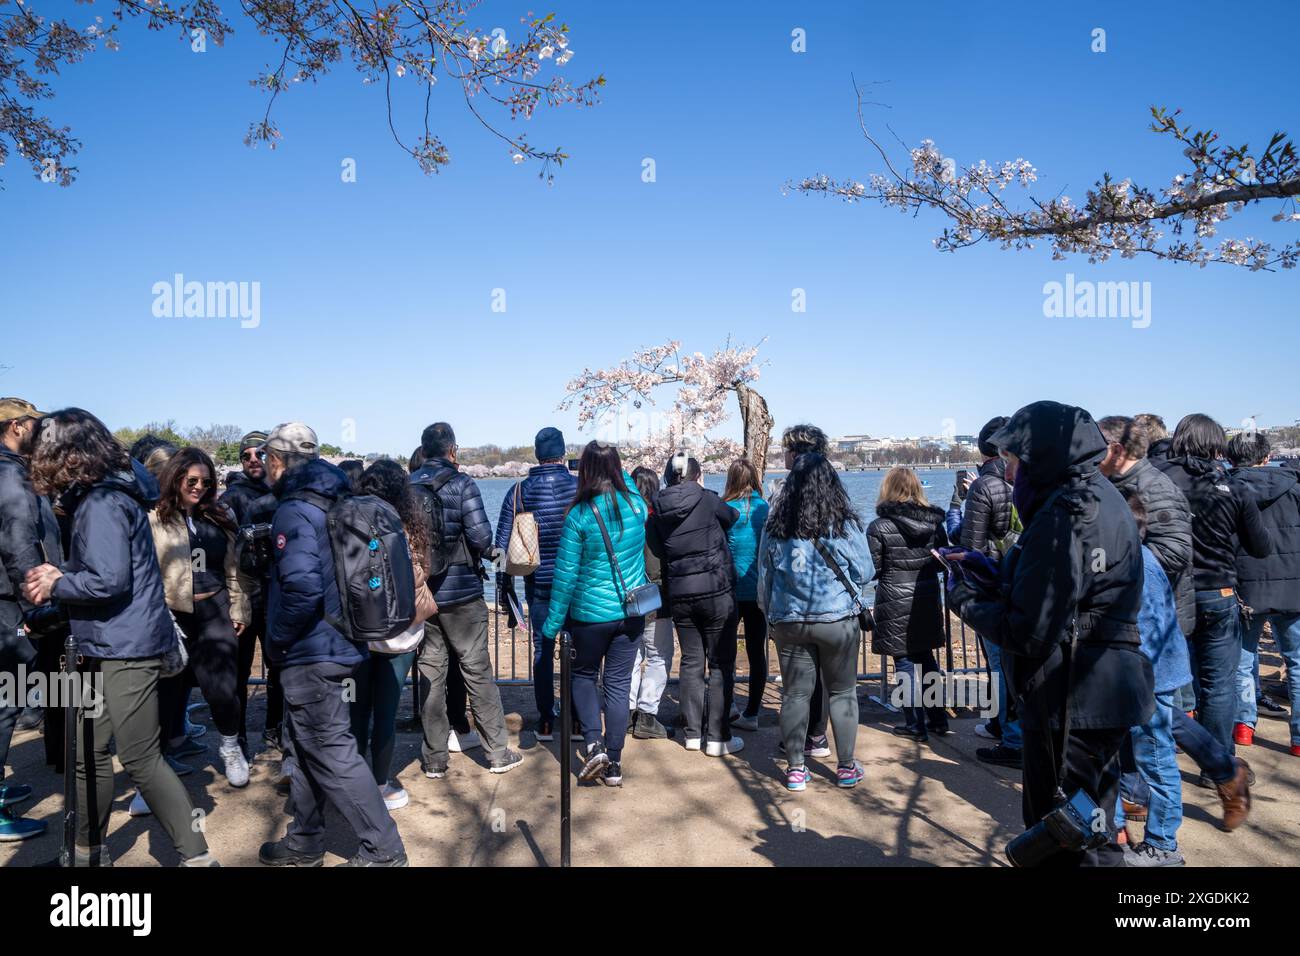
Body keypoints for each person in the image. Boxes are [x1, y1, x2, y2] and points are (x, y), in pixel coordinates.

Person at [952, 402, 1154, 867]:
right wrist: (1001, 572)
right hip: (1103, 685)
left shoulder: (1064, 515)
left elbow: (1031, 629)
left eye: (1016, 461)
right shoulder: (1101, 496)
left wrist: (964, 600)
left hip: (1073, 694)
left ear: (1040, 459)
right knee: (1091, 822)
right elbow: (1073, 588)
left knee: (1062, 829)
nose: (1011, 471)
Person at [24, 408, 217, 866]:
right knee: (87, 754)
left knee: (140, 759)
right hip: (109, 644)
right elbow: (107, 570)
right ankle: (87, 852)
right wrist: (64, 575)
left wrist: (56, 583)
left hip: (125, 648)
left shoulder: (101, 503)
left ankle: (198, 857)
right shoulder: (106, 496)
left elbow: (108, 581)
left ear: (64, 451)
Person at [255, 422, 407, 866]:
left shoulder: (294, 510)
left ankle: (384, 852)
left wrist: (276, 640)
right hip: (344, 642)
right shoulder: (336, 499)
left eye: (266, 458)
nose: (263, 466)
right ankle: (304, 841)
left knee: (332, 751)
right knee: (304, 749)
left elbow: (302, 587)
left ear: (278, 460)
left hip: (311, 650)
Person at [1151, 414, 1271, 756]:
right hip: (1217, 589)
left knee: (1167, 678)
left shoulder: (1156, 479)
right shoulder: (1232, 486)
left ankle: (1165, 748)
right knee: (1219, 684)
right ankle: (1216, 765)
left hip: (1168, 590)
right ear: (1217, 444)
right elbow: (1260, 547)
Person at [409, 422, 521, 778]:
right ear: (453, 450)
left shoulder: (407, 487)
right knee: (477, 670)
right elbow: (481, 537)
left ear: (424, 450)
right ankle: (498, 753)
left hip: (423, 593)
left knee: (431, 675)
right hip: (462, 595)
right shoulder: (463, 484)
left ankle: (434, 759)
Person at [758, 451, 872, 791]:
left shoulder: (776, 526)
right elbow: (865, 570)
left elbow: (765, 577)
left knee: (794, 694)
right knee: (843, 692)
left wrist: (770, 616)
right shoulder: (844, 524)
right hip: (837, 619)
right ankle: (847, 766)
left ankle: (795, 770)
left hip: (790, 620)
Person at [542, 441, 650, 786]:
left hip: (590, 617)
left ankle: (593, 743)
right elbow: (630, 489)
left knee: (583, 677)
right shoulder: (636, 506)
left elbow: (565, 576)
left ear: (584, 470)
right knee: (618, 685)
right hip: (631, 612)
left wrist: (552, 623)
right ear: (618, 468)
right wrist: (620, 474)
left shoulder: (580, 515)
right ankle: (615, 764)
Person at [149, 447, 252, 791]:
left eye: (206, 482)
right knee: (164, 696)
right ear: (175, 478)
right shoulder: (154, 518)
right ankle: (153, 777)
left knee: (222, 690)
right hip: (171, 616)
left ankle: (230, 746)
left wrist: (239, 607)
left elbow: (235, 568)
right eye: (191, 480)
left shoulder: (219, 516)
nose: (199, 487)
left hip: (215, 610)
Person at [1112, 490, 1193, 866]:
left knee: (1157, 760)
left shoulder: (1137, 567)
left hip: (1149, 679)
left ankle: (1163, 845)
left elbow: (1147, 630)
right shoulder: (1135, 560)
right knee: (1123, 757)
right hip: (1141, 676)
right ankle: (1114, 825)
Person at [351, 460, 438, 810]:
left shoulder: (351, 523)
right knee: (385, 713)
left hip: (359, 629)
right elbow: (420, 574)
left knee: (355, 712)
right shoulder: (410, 528)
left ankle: (351, 782)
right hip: (398, 633)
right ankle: (380, 783)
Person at [651, 453, 742, 756]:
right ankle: (717, 737)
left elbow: (655, 545)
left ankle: (692, 734)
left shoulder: (658, 508)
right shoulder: (706, 499)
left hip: (680, 594)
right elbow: (733, 517)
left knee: (691, 662)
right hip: (716, 592)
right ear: (697, 475)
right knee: (719, 664)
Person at [493, 427, 578, 740]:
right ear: (562, 451)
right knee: (576, 651)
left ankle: (545, 721)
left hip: (539, 584)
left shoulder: (519, 491)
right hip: (576, 586)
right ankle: (578, 721)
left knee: (543, 653)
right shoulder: (579, 486)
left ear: (537, 454)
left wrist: (504, 588)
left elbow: (501, 546)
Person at [946, 416, 1021, 767]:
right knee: (1013, 663)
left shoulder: (984, 487)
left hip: (991, 584)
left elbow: (968, 544)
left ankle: (1008, 734)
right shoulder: (1023, 481)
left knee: (998, 664)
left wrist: (956, 503)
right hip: (1019, 581)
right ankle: (1009, 727)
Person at [0, 398, 59, 841]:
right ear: (18, 426)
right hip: (10, 604)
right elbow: (20, 541)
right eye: (37, 425)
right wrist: (37, 601)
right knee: (5, 703)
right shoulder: (9, 475)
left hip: (8, 602)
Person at [1226, 432, 1300, 757]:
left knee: (1242, 661)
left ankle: (1243, 725)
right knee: (1297, 663)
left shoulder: (1227, 490)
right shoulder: (1295, 486)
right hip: (1293, 585)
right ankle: (1298, 739)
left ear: (1231, 458)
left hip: (1246, 585)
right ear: (1267, 456)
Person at [867, 467, 950, 741]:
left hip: (894, 596)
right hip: (926, 595)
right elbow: (942, 560)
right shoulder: (935, 523)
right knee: (927, 659)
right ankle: (938, 718)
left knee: (903, 661)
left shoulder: (880, 526)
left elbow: (873, 568)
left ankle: (914, 724)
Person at [218, 429, 284, 755]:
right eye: (246, 456)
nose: (253, 460)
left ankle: (274, 729)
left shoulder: (280, 494)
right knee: (239, 673)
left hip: (275, 596)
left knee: (279, 669)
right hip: (244, 598)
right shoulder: (230, 498)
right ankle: (238, 736)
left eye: (259, 453)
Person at [721, 459, 770, 731]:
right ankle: (753, 712)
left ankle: (728, 706)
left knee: (726, 652)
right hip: (758, 591)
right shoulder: (765, 508)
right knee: (756, 652)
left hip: (731, 589)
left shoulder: (726, 509)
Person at [628, 465, 673, 740]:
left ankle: (627, 711)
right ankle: (647, 713)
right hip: (657, 596)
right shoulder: (659, 519)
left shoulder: (626, 517)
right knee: (658, 655)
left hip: (628, 596)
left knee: (630, 657)